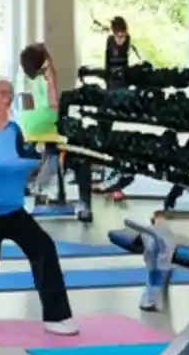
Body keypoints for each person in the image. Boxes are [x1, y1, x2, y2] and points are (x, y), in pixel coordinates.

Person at [0, 80, 78, 334]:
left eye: (8, 94)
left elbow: (28, 165)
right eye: (1, 95)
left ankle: (57, 316)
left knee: (44, 248)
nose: (7, 99)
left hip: (14, 211)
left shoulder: (17, 131)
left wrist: (36, 163)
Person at [20, 42, 93, 222]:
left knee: (53, 151)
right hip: (47, 120)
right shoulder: (48, 74)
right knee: (80, 150)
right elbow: (53, 102)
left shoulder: (30, 78)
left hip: (30, 122)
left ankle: (40, 184)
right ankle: (84, 203)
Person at [97, 16, 139, 201]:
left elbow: (125, 62)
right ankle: (110, 182)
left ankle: (117, 184)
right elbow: (108, 63)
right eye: (118, 33)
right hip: (111, 86)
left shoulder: (127, 40)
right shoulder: (109, 40)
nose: (121, 36)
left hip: (123, 85)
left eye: (123, 33)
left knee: (119, 132)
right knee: (108, 134)